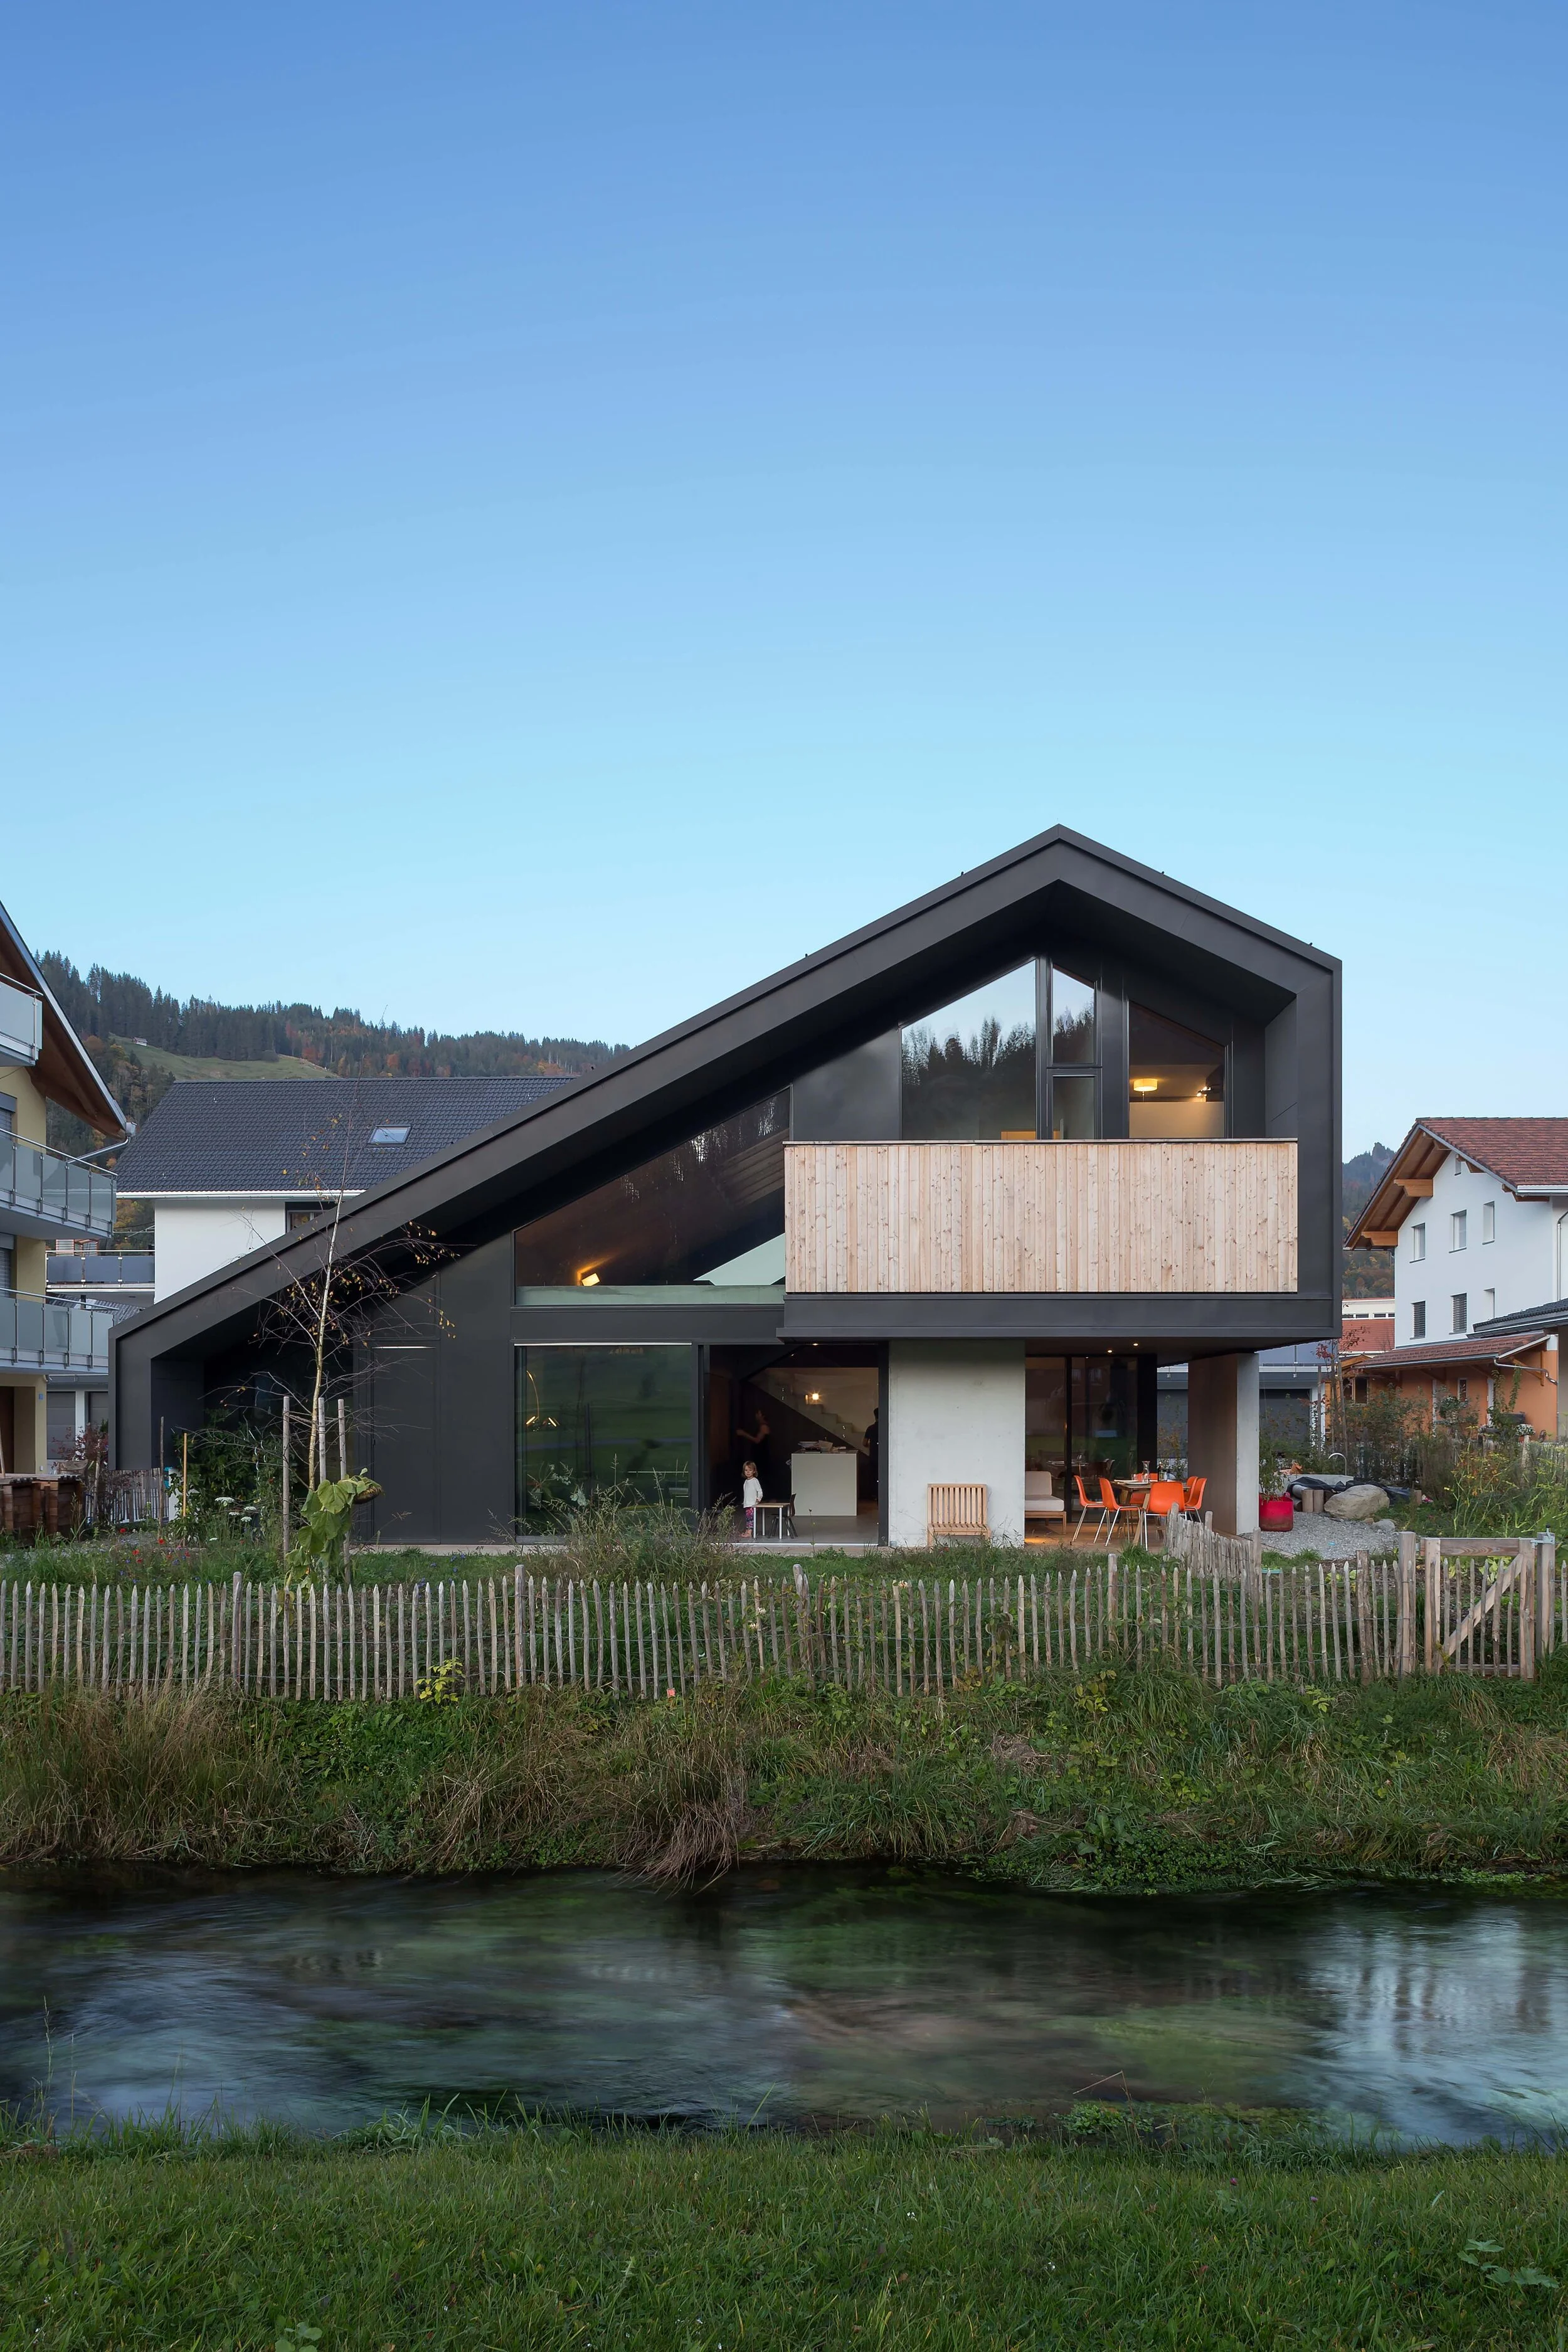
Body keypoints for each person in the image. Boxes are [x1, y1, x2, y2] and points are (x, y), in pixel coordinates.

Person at [741, 1459, 763, 1538]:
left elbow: (760, 1491)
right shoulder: (746, 1482)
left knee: (751, 1518)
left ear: (754, 1471)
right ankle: (747, 1530)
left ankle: (750, 1532)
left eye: (750, 1470)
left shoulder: (755, 1481)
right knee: (748, 1518)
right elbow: (747, 1493)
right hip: (747, 1503)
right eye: (746, 1470)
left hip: (753, 1504)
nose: (748, 1472)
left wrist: (759, 1499)